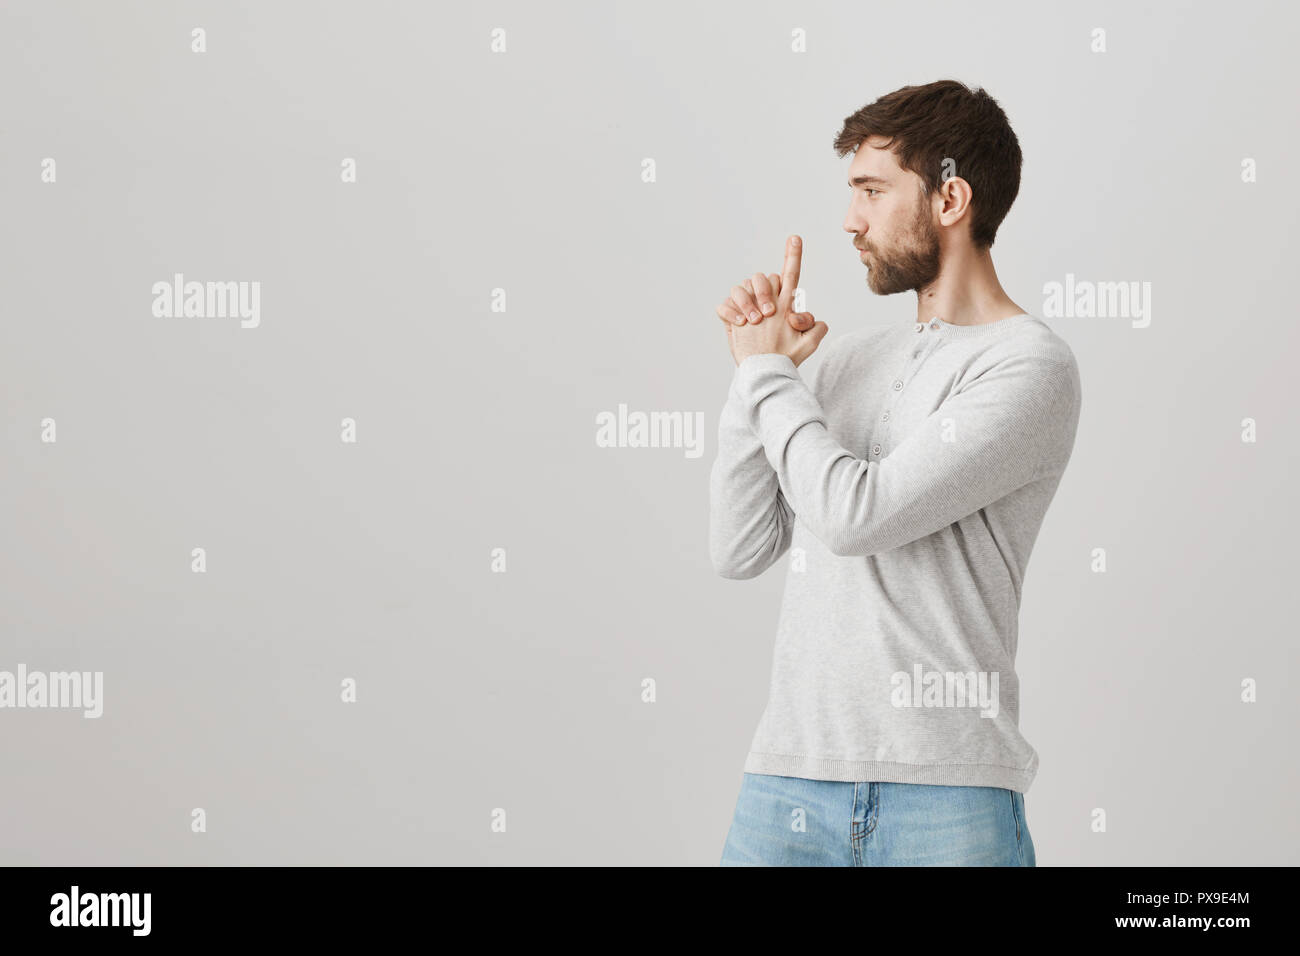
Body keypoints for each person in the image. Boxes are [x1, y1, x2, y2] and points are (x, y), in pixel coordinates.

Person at [709, 79, 1081, 866]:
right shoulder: (845, 358)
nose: (851, 220)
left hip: (946, 796)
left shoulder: (1029, 367)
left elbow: (856, 516)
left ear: (950, 199)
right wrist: (755, 376)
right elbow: (739, 548)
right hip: (786, 779)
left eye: (873, 191)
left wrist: (772, 377)